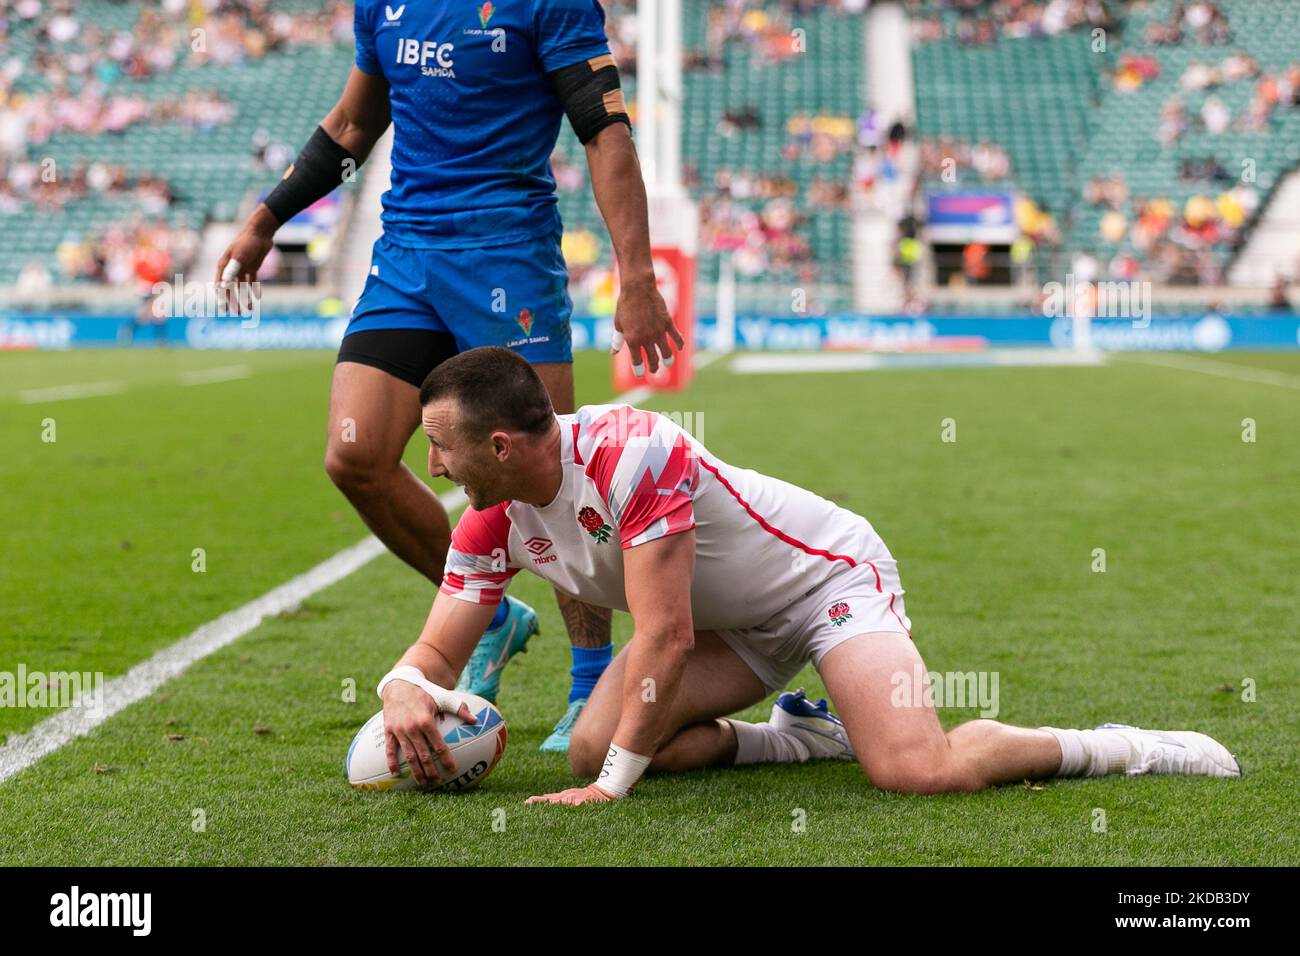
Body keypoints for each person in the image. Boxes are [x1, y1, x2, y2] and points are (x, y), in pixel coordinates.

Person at [375, 348, 1241, 802]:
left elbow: (665, 636)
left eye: (440, 447)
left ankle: (1123, 747)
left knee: (915, 771)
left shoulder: (630, 451)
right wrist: (405, 684)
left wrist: (609, 794)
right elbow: (442, 642)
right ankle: (795, 737)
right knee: (602, 746)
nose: (435, 468)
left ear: (498, 445)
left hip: (826, 584)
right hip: (729, 625)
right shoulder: (491, 517)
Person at [214, 0, 682, 751]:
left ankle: (592, 678)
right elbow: (352, 127)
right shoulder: (381, 5)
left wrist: (636, 277)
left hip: (508, 256)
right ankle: (493, 616)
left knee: (551, 481)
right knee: (355, 454)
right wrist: (267, 220)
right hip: (408, 258)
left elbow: (604, 131)